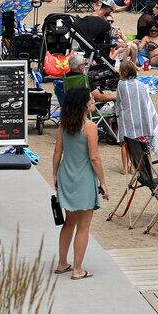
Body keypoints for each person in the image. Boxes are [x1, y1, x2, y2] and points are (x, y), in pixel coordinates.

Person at [52, 87, 107, 281]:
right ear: (83, 104)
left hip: (66, 175)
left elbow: (57, 152)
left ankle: (62, 263)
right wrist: (103, 182)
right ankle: (77, 269)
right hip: (83, 179)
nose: (93, 100)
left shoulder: (63, 124)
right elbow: (94, 158)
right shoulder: (89, 126)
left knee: (69, 222)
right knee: (83, 226)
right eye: (90, 99)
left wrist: (55, 176)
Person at [113, 60, 158, 171]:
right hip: (140, 118)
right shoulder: (141, 85)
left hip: (126, 118)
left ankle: (125, 168)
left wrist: (117, 114)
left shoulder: (121, 85)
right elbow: (146, 103)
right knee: (141, 142)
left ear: (123, 72)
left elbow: (119, 101)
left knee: (125, 144)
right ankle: (134, 166)